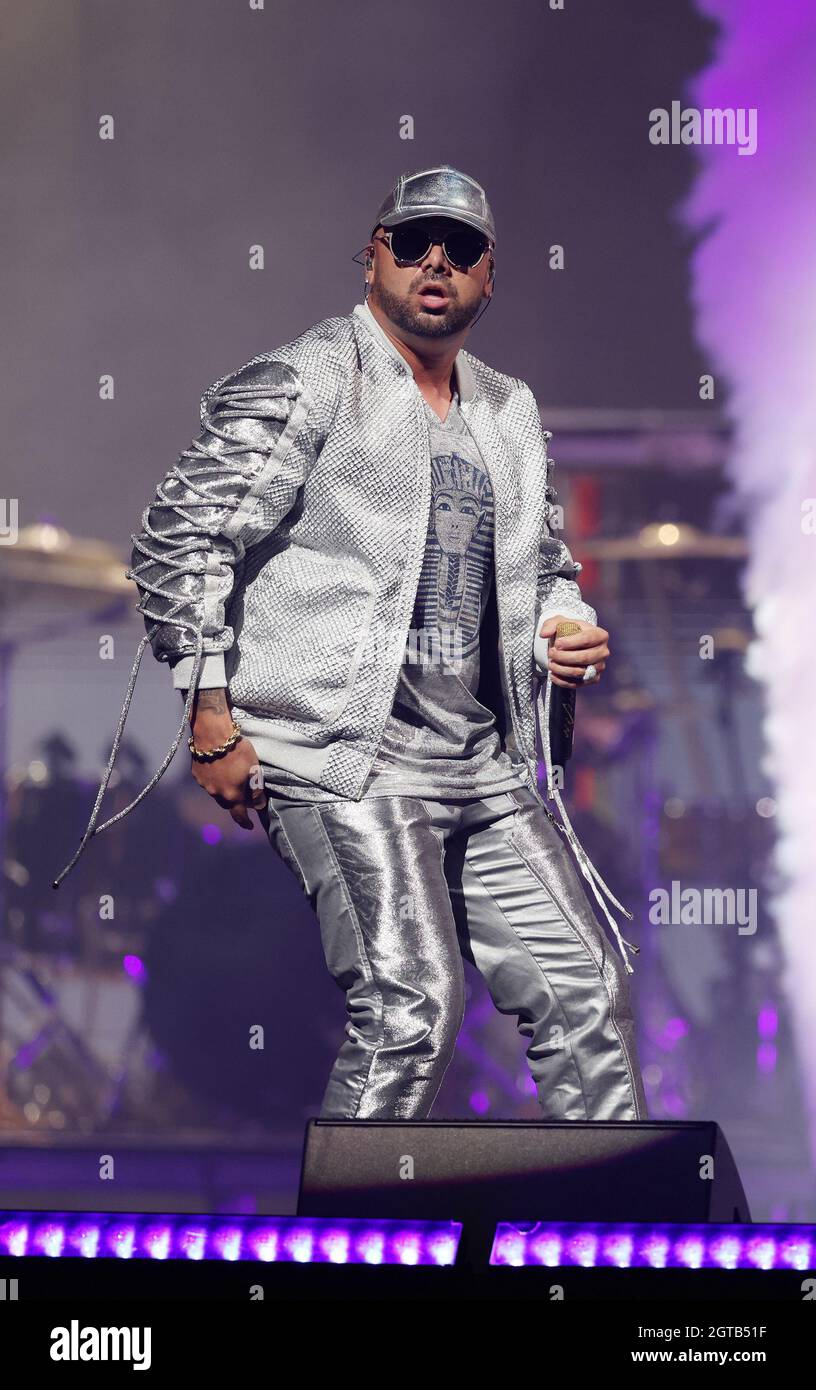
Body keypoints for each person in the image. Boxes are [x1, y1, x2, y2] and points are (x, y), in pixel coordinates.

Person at [54, 165, 647, 1123]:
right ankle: (349, 1255)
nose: (435, 263)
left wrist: (557, 628)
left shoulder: (510, 410)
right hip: (340, 756)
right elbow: (182, 537)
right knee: (413, 1005)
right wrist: (211, 720)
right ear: (371, 256)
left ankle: (633, 1251)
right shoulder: (313, 376)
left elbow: (543, 567)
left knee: (590, 989)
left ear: (490, 278)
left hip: (482, 769)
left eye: (460, 250)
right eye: (413, 242)